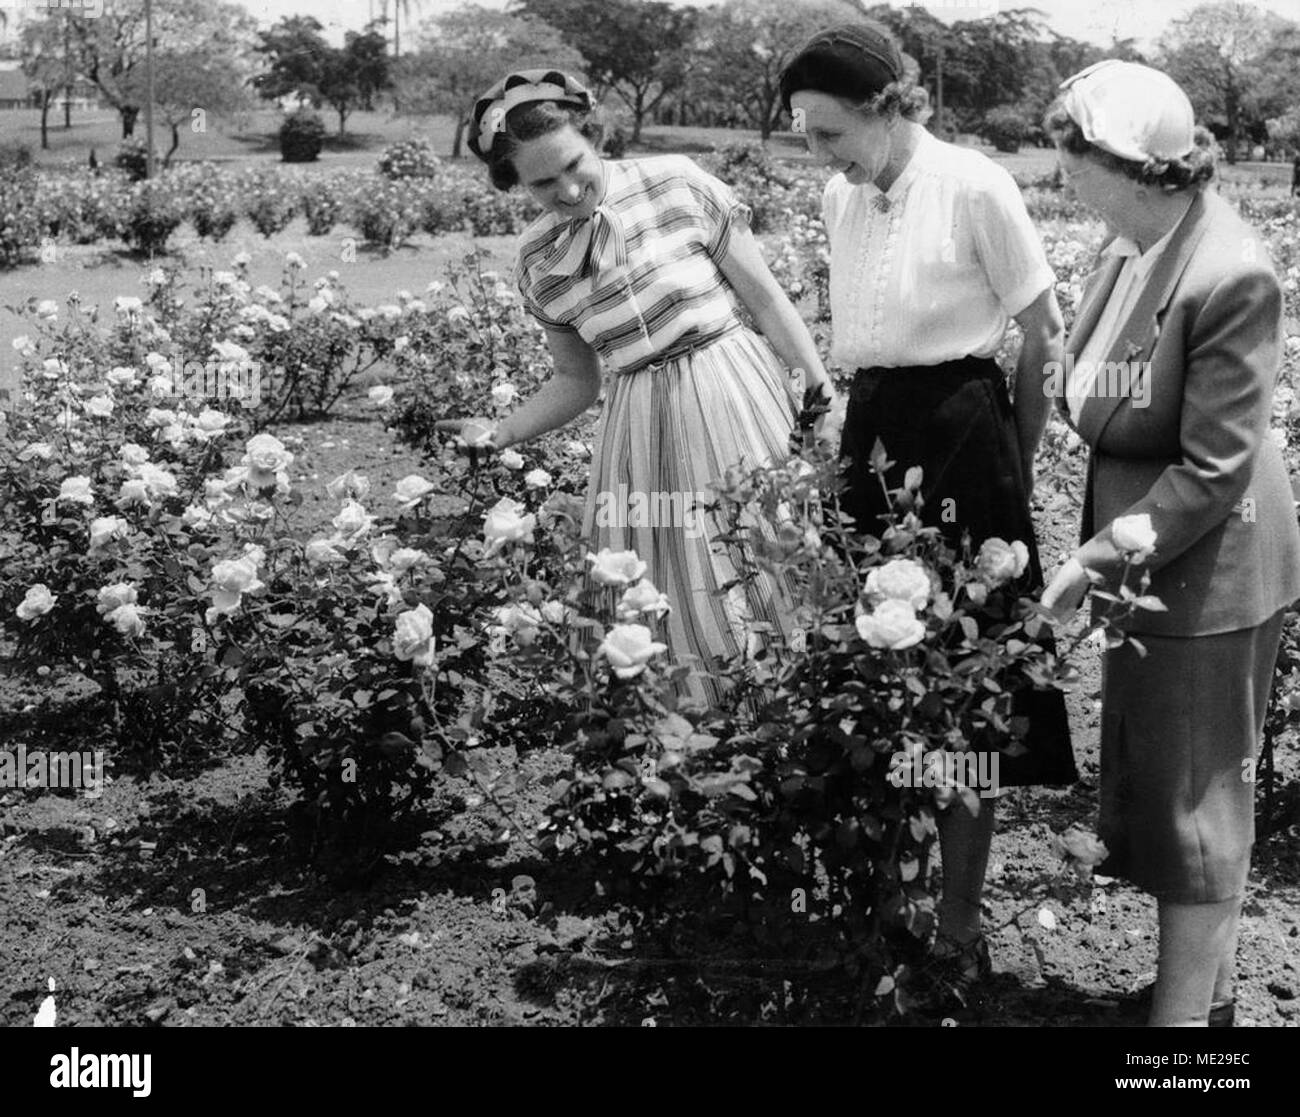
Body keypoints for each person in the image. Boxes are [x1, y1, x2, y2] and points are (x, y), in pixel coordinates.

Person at [778, 21, 1077, 1004]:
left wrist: (1013, 460)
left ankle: (956, 922)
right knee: (880, 662)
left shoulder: (975, 185)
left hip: (963, 429)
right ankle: (888, 895)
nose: (816, 155)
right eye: (806, 135)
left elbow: (1042, 333)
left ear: (886, 106)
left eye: (828, 133)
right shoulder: (840, 193)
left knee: (964, 682)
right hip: (874, 429)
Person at [439, 69, 843, 705]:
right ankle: (706, 740)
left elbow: (766, 301)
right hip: (640, 424)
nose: (569, 189)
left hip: (733, 391)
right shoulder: (538, 262)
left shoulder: (676, 182)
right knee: (665, 581)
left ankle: (800, 722)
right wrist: (501, 431)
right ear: (513, 184)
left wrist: (820, 397)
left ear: (594, 136)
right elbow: (576, 379)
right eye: (543, 182)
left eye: (575, 163)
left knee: (770, 548)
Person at [1041, 60, 1300, 1027]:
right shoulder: (1129, 249)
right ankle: (1211, 995)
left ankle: (1182, 1043)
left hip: (1210, 563)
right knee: (1169, 779)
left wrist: (1091, 555)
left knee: (1196, 806)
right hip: (1152, 556)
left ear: (1128, 166)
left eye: (1074, 162)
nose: (1063, 178)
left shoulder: (1231, 273)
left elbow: (1214, 467)